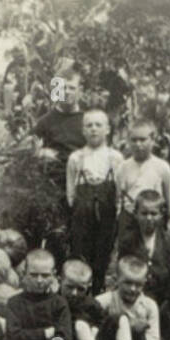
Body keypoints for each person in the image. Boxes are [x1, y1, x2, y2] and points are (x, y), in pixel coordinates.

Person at [66, 109, 126, 294]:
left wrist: (117, 212)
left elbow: (120, 191)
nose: (93, 129)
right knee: (81, 253)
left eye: (98, 125)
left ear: (107, 129)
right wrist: (77, 210)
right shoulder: (76, 158)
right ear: (83, 130)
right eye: (89, 125)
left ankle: (99, 290)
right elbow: (70, 192)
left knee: (103, 254)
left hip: (106, 214)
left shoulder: (115, 158)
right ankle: (81, 291)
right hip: (82, 215)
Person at [114, 189, 170, 340]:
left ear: (161, 215)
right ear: (136, 214)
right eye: (144, 213)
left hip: (164, 303)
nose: (149, 218)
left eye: (153, 213)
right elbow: (123, 272)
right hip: (136, 300)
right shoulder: (128, 241)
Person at [5, 249, 74, 340]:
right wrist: (45, 333)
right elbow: (14, 338)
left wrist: (32, 339)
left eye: (45, 275)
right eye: (34, 275)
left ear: (53, 275)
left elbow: (64, 337)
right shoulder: (14, 303)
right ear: (24, 273)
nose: (39, 280)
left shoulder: (59, 302)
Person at [94, 256, 160, 340]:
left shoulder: (149, 306)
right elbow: (92, 327)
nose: (133, 289)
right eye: (128, 283)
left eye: (138, 284)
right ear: (117, 279)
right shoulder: (105, 300)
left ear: (145, 282)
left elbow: (154, 339)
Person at [59, 259, 115, 340]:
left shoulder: (90, 303)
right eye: (69, 287)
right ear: (60, 280)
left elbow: (102, 319)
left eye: (80, 289)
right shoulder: (53, 301)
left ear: (88, 286)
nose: (74, 293)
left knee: (116, 319)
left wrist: (94, 328)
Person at [119, 119, 170, 228]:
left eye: (143, 139)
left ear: (152, 140)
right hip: (130, 218)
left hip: (153, 218)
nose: (138, 144)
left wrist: (169, 220)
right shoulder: (123, 167)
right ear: (128, 141)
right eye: (134, 140)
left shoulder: (162, 167)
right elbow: (119, 196)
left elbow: (168, 198)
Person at [31, 68, 86, 160]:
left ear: (80, 90)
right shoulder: (44, 123)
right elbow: (33, 153)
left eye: (72, 88)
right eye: (63, 88)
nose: (67, 92)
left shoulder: (89, 121)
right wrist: (41, 152)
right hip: (54, 172)